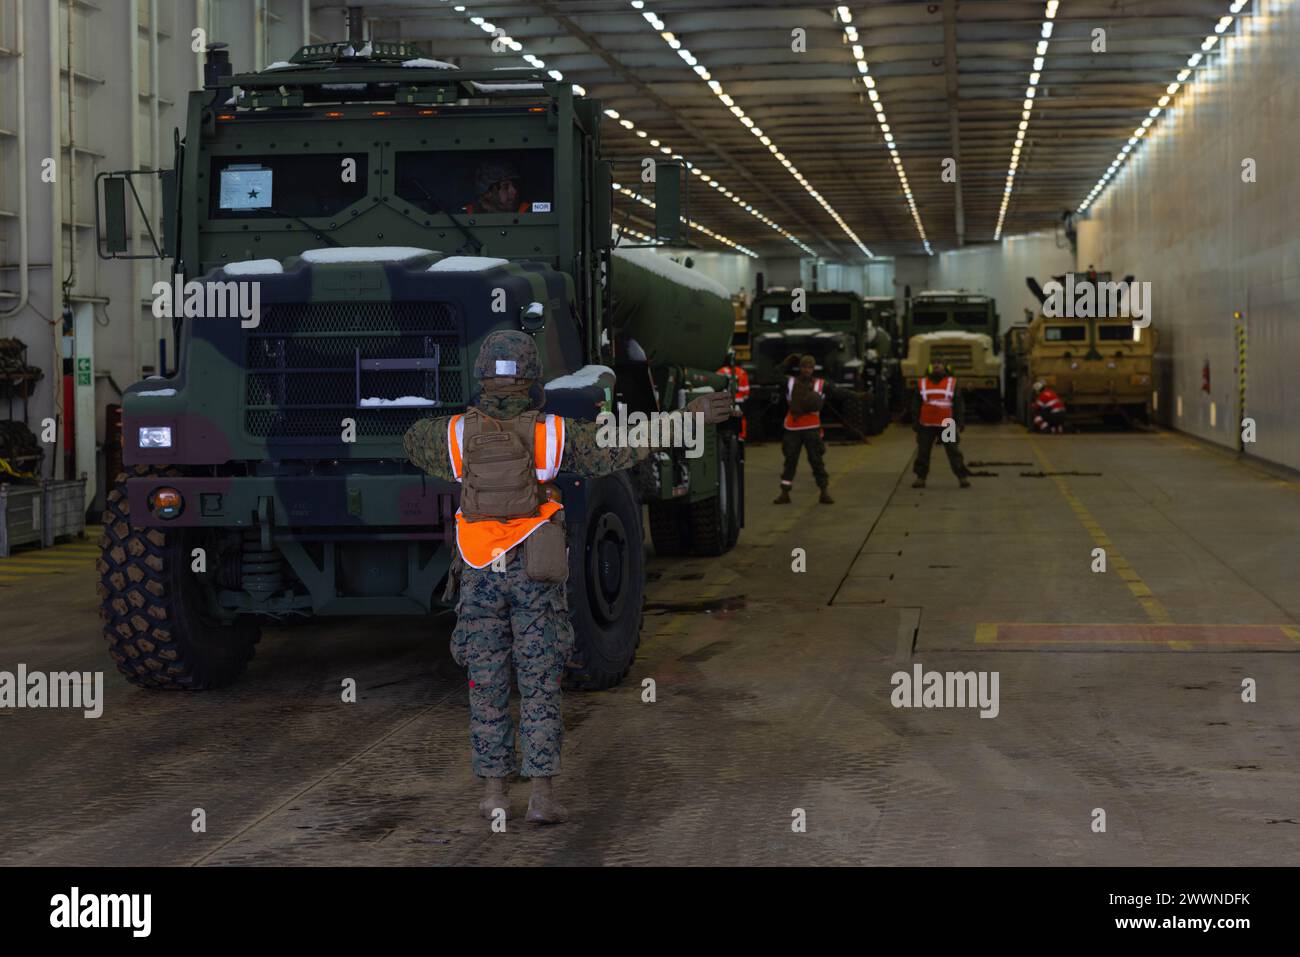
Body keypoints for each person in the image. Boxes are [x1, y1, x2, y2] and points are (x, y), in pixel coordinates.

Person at [403, 330, 729, 824]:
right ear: (533, 377)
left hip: (478, 569)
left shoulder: (451, 435)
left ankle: (493, 794)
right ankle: (542, 798)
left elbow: (410, 442)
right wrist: (691, 417)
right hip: (536, 566)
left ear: (482, 376)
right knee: (539, 681)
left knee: (486, 681)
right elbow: (623, 443)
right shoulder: (553, 434)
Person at [774, 354, 833, 505]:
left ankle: (824, 491)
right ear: (800, 368)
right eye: (804, 367)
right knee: (790, 461)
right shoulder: (790, 382)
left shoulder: (820, 384)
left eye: (809, 367)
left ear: (813, 369)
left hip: (811, 428)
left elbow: (839, 392)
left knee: (816, 461)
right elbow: (775, 375)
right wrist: (786, 362)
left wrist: (858, 396)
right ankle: (784, 493)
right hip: (793, 428)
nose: (807, 370)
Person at [910, 359, 971, 489]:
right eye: (933, 364)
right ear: (930, 367)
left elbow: (958, 403)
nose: (936, 365)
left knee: (953, 451)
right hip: (926, 424)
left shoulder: (951, 383)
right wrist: (915, 422)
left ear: (944, 367)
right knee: (923, 452)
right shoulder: (922, 383)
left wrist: (960, 421)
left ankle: (962, 477)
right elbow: (916, 405)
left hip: (947, 424)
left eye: (939, 363)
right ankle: (920, 478)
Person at [464, 161, 530, 213]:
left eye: (515, 185)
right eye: (505, 187)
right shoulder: (466, 216)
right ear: (487, 193)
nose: (514, 191)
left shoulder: (528, 214)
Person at [716, 356, 750, 440]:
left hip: (724, 401)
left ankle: (724, 436)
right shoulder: (742, 372)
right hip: (739, 400)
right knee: (741, 418)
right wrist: (743, 397)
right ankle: (741, 436)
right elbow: (746, 390)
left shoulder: (721, 371)